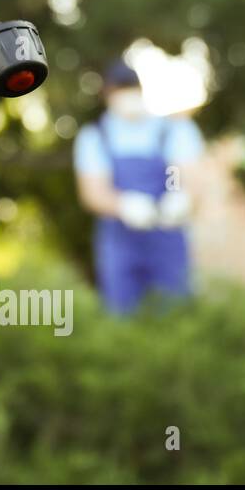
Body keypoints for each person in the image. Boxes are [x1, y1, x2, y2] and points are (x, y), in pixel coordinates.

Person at [73, 60, 205, 314]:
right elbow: (93, 192)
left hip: (167, 239)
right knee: (122, 319)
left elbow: (181, 173)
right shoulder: (96, 136)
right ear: (108, 96)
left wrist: (178, 195)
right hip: (119, 244)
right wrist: (123, 205)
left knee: (175, 317)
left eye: (131, 89)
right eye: (120, 91)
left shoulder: (172, 130)